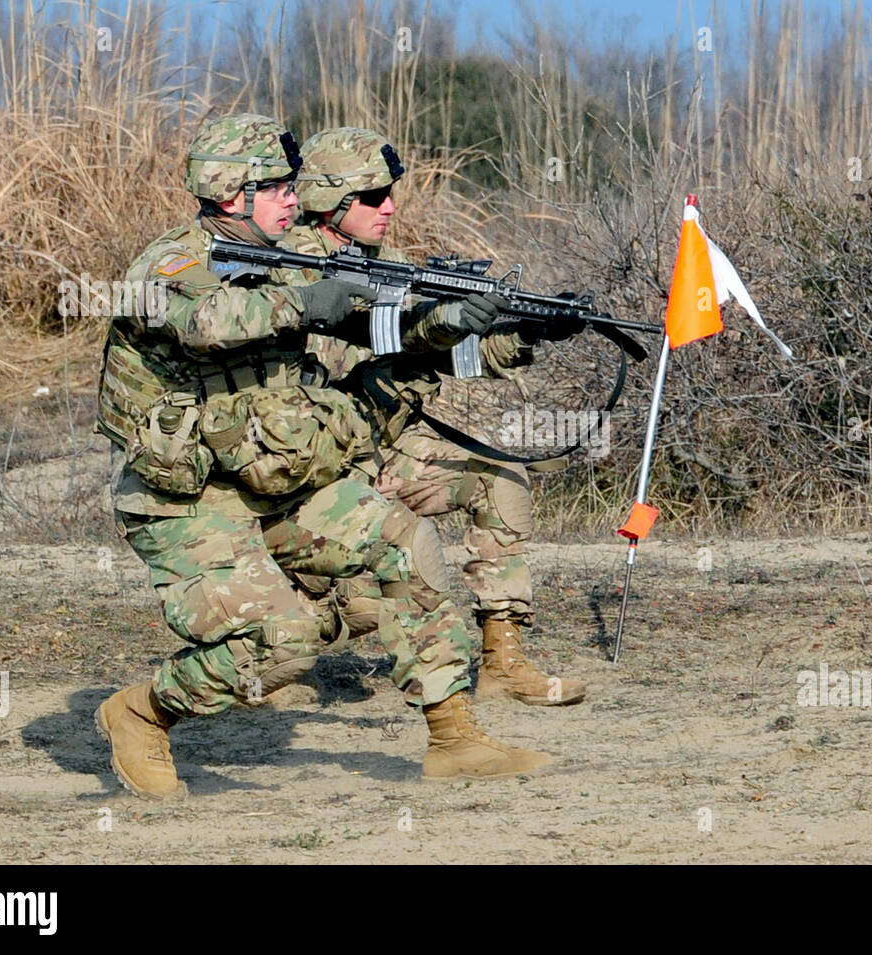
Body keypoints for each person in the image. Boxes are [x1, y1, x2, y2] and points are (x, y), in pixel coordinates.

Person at [92, 113, 552, 799]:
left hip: (278, 478)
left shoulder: (291, 257)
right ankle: (143, 711)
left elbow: (376, 325)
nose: (291, 197)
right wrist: (308, 300)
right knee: (284, 647)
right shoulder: (168, 263)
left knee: (404, 545)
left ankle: (454, 733)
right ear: (229, 196)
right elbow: (207, 322)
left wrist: (452, 322)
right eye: (275, 186)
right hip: (184, 499)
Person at [284, 127, 588, 707]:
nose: (390, 207)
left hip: (383, 453)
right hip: (304, 473)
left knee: (500, 480)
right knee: (349, 606)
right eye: (374, 197)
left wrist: (519, 334)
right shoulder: (284, 267)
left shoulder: (393, 267)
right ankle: (276, 656)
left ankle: (503, 661)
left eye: (390, 193)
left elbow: (441, 351)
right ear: (332, 199)